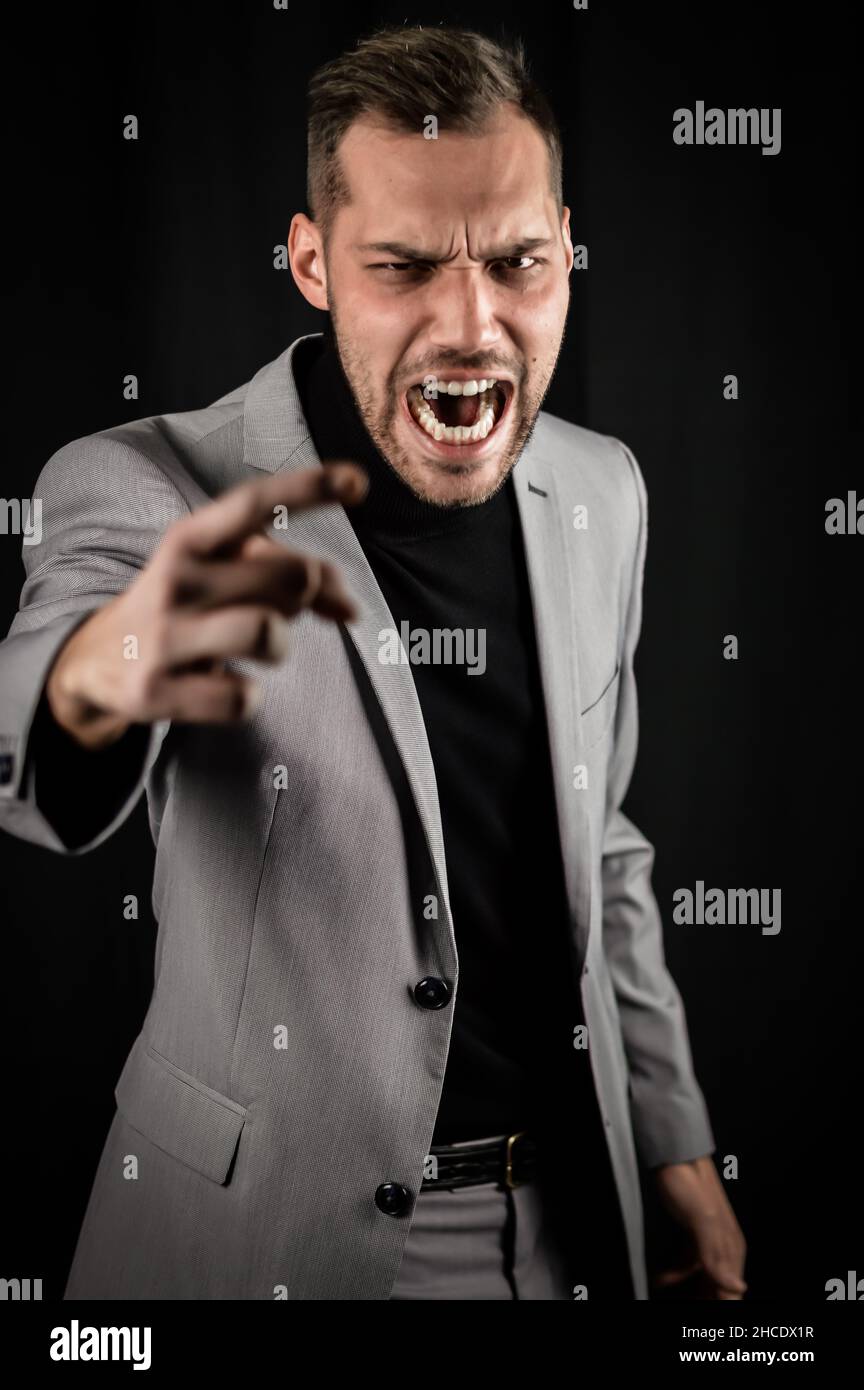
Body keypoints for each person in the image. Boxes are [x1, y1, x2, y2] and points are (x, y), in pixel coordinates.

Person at [0, 25, 746, 1300]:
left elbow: (602, 845)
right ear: (312, 262)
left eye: (517, 261)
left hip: (567, 1224)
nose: (472, 324)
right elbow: (39, 718)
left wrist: (674, 1145)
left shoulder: (600, 489)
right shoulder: (148, 483)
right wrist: (115, 664)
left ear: (566, 247)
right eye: (403, 266)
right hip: (255, 1249)